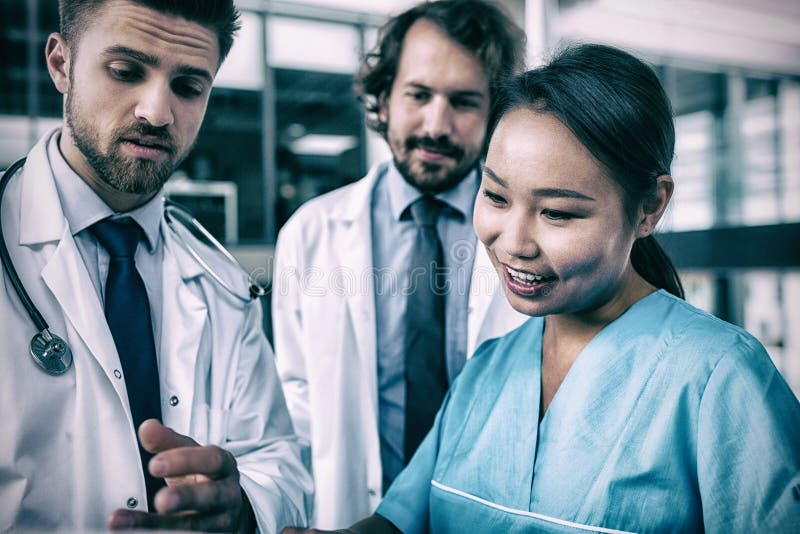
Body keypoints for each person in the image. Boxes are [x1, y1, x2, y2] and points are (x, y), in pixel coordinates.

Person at [284, 44, 800, 534]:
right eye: (495, 196)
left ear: (649, 207)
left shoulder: (721, 378)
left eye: (557, 213)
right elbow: (399, 521)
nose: (513, 243)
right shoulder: (486, 371)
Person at [0, 1, 311, 531]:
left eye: (188, 87)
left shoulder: (220, 280)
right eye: (125, 71)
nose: (157, 112)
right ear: (61, 64)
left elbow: (278, 462)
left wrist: (241, 510)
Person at [271, 0, 526, 528]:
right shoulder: (310, 233)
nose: (437, 125)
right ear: (384, 98)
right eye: (418, 94)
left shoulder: (527, 238)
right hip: (351, 512)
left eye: (464, 101)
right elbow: (296, 405)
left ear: (493, 114)